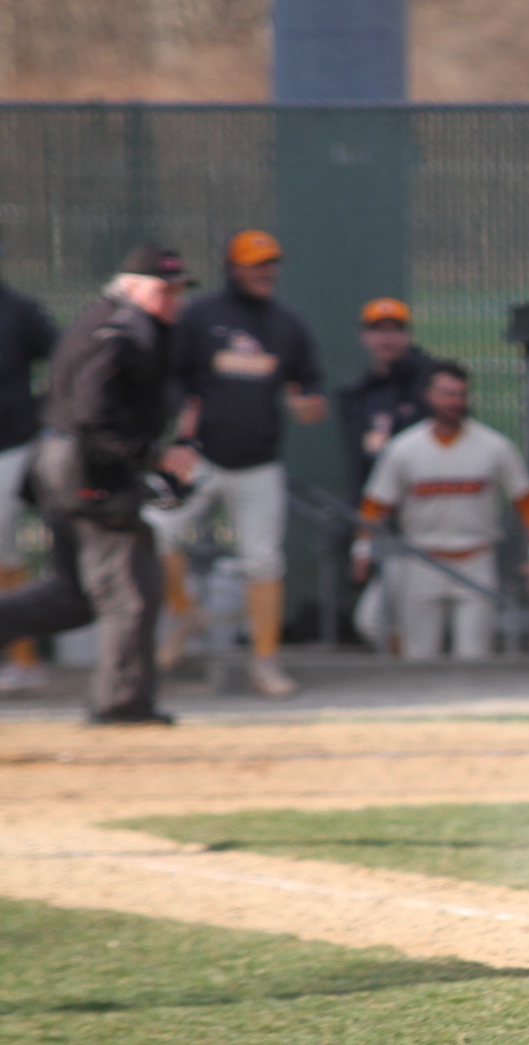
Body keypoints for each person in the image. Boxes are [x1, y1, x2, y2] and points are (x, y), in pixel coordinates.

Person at [0, 244, 197, 724]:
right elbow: (93, 413)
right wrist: (155, 456)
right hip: (87, 471)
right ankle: (123, 702)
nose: (173, 299)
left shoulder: (109, 322)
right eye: (164, 289)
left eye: (177, 290)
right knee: (129, 593)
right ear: (132, 286)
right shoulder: (118, 330)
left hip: (64, 466)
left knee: (74, 595)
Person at [152, 229, 325, 697]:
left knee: (263, 562)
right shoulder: (202, 316)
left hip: (259, 463)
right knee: (155, 529)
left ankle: (265, 662)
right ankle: (184, 610)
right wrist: (180, 417)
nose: (266, 271)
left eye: (271, 263)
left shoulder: (287, 324)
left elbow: (308, 382)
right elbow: (171, 374)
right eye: (256, 263)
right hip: (200, 455)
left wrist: (308, 402)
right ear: (233, 267)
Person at [352, 362, 529, 660]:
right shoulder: (405, 448)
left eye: (460, 394)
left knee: (474, 656)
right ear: (429, 396)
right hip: (422, 558)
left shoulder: (494, 446)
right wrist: (362, 548)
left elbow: (526, 500)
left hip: (476, 558)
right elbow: (375, 503)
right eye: (446, 394)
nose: (455, 402)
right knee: (418, 656)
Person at [0, 214, 58, 694]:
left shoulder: (16, 310)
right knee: (4, 555)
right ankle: (24, 662)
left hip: (7, 443)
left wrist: (42, 414)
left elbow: (63, 359)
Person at [336, 297, 435, 504]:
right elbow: (360, 463)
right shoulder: (362, 392)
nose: (387, 339)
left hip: (425, 492)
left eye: (395, 330)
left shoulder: (430, 380)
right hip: (380, 498)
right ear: (364, 336)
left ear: (408, 335)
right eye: (379, 331)